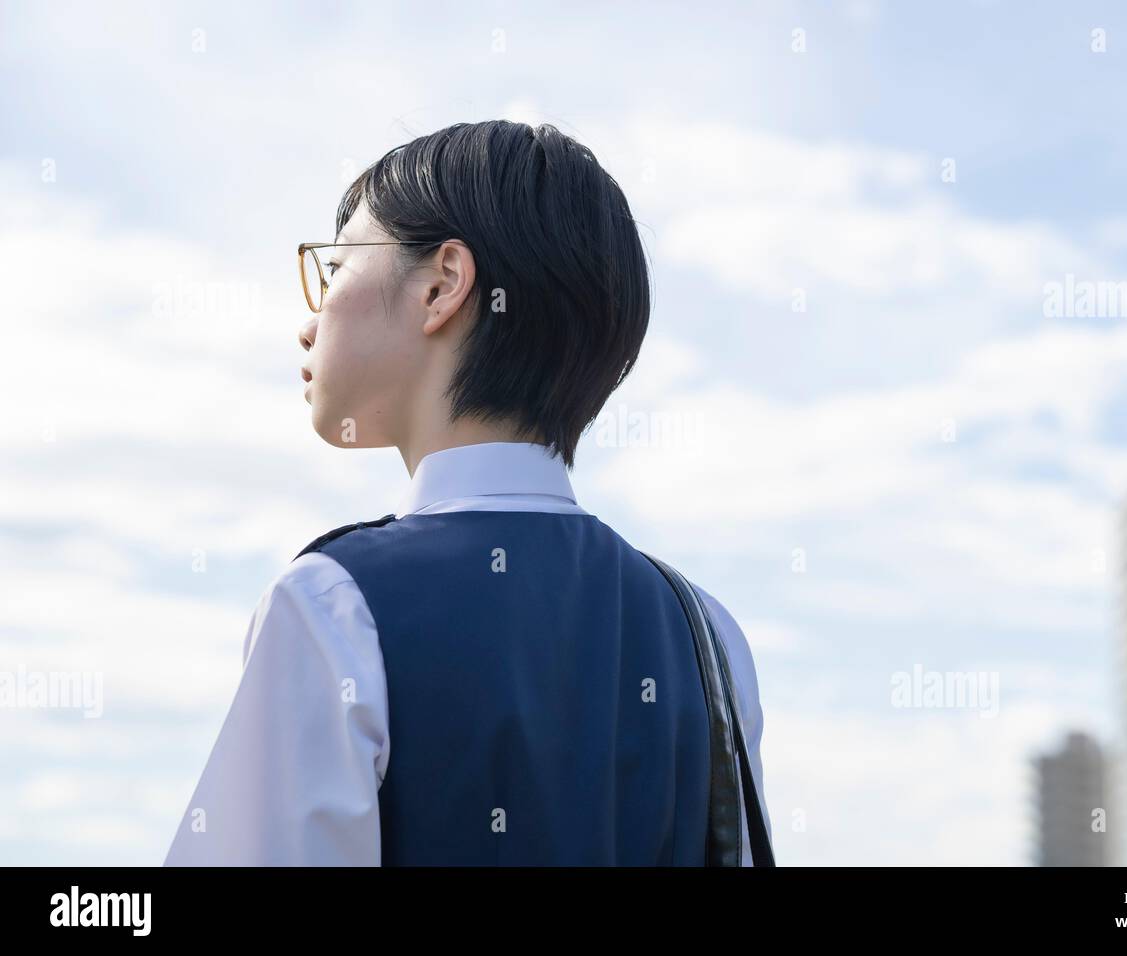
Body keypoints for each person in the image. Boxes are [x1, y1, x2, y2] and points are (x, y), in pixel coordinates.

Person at [164, 120, 772, 865]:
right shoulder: (708, 634)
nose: (307, 323)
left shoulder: (336, 603)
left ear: (443, 283)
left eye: (335, 267)